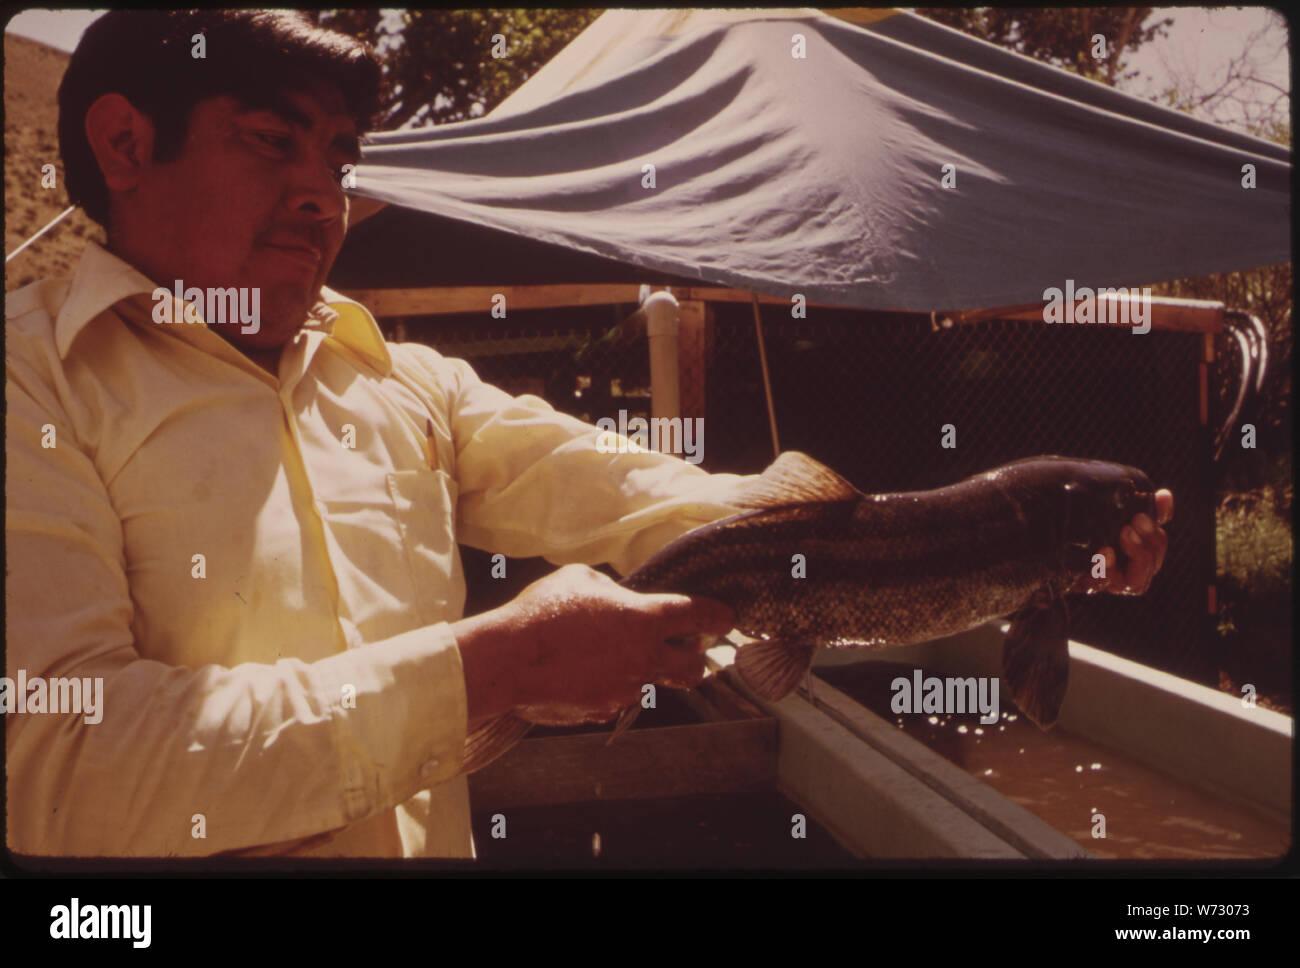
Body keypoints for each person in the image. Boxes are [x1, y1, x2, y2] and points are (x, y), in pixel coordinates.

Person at [5, 10, 1171, 859]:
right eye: (274, 142)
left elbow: (636, 493)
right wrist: (493, 666)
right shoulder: (30, 385)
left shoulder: (396, 377)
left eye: (340, 158)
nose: (325, 193)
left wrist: (1008, 546)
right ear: (124, 146)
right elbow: (60, 769)